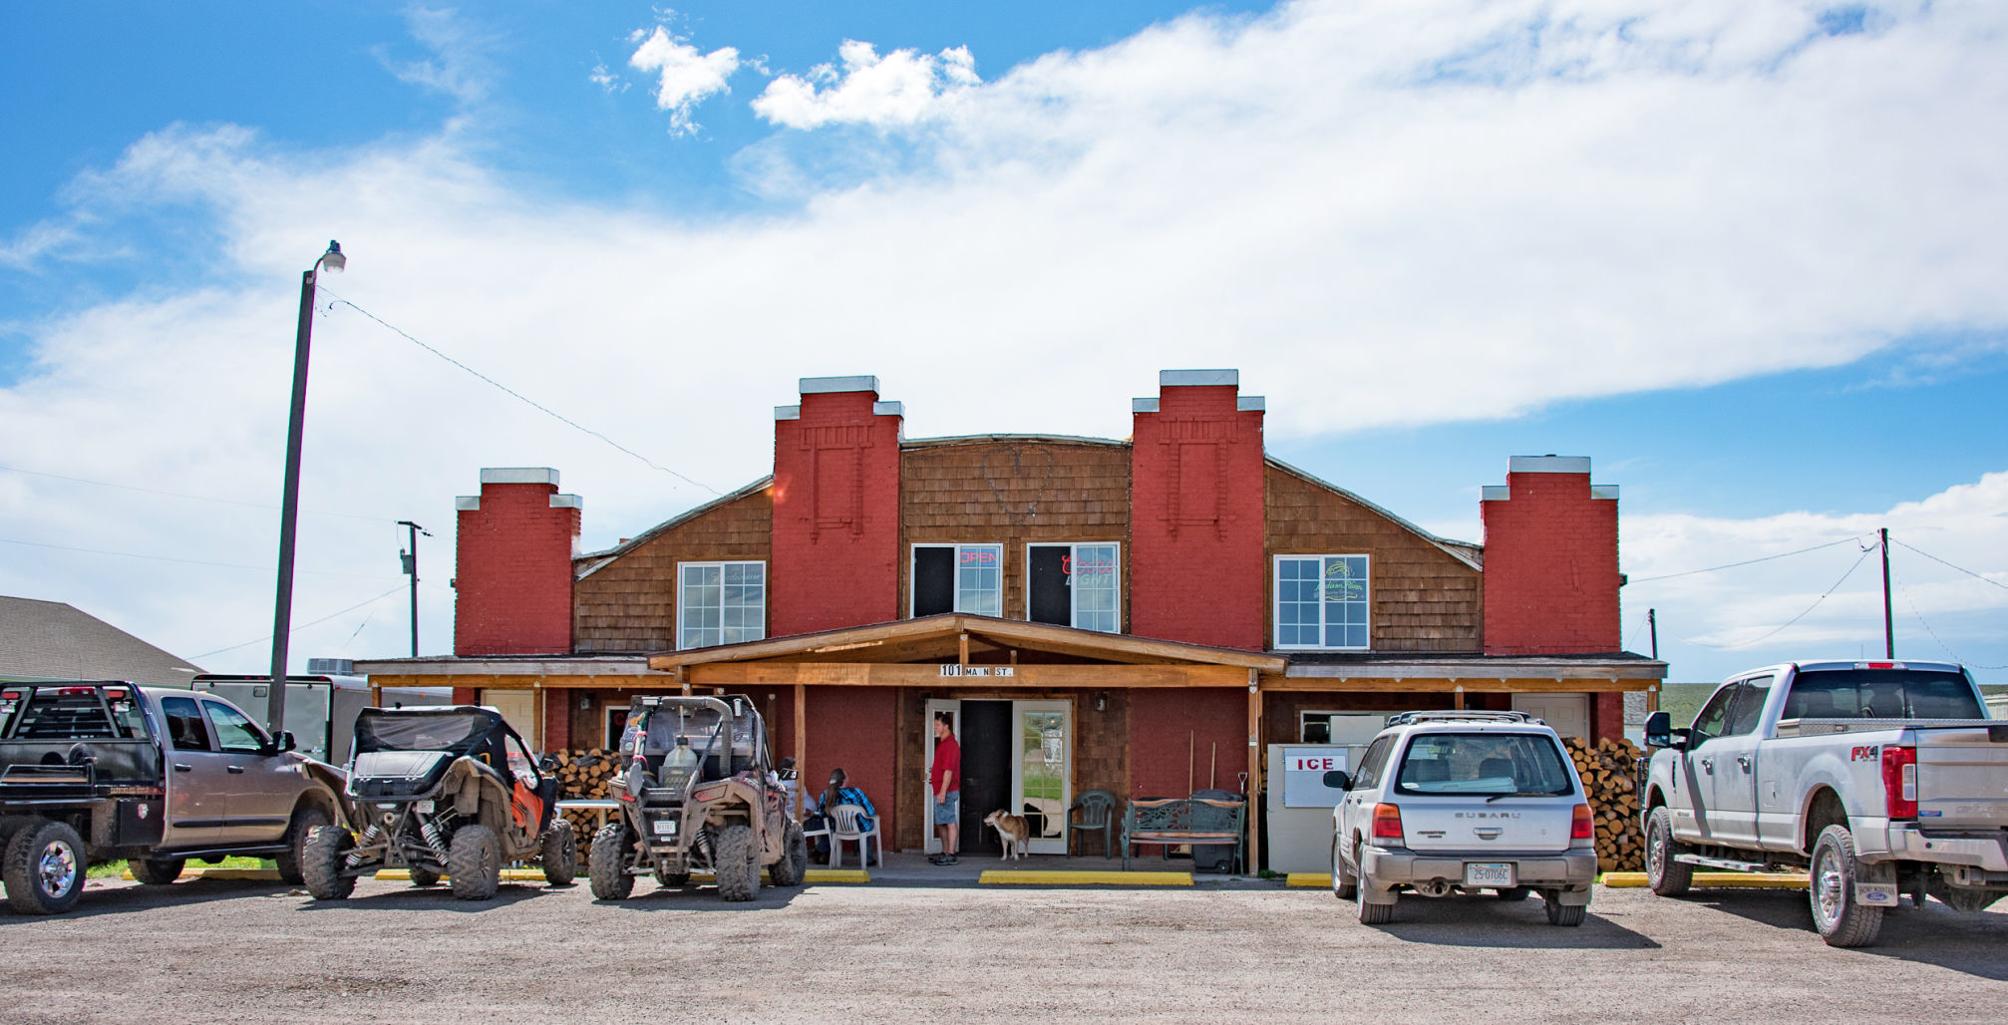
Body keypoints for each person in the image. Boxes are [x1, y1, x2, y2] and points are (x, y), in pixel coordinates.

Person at [807, 768, 876, 861]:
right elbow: (871, 812)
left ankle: (822, 850)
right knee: (867, 824)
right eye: (847, 775)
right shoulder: (856, 792)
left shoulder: (825, 794)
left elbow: (821, 813)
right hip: (858, 828)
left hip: (837, 829)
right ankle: (868, 859)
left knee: (828, 823)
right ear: (844, 780)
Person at [929, 713, 961, 865]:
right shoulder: (943, 743)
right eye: (935, 725)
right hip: (940, 790)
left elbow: (948, 771)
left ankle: (951, 854)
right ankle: (945, 852)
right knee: (941, 821)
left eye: (938, 725)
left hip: (946, 791)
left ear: (946, 726)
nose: (935, 727)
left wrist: (942, 791)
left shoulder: (950, 745)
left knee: (949, 820)